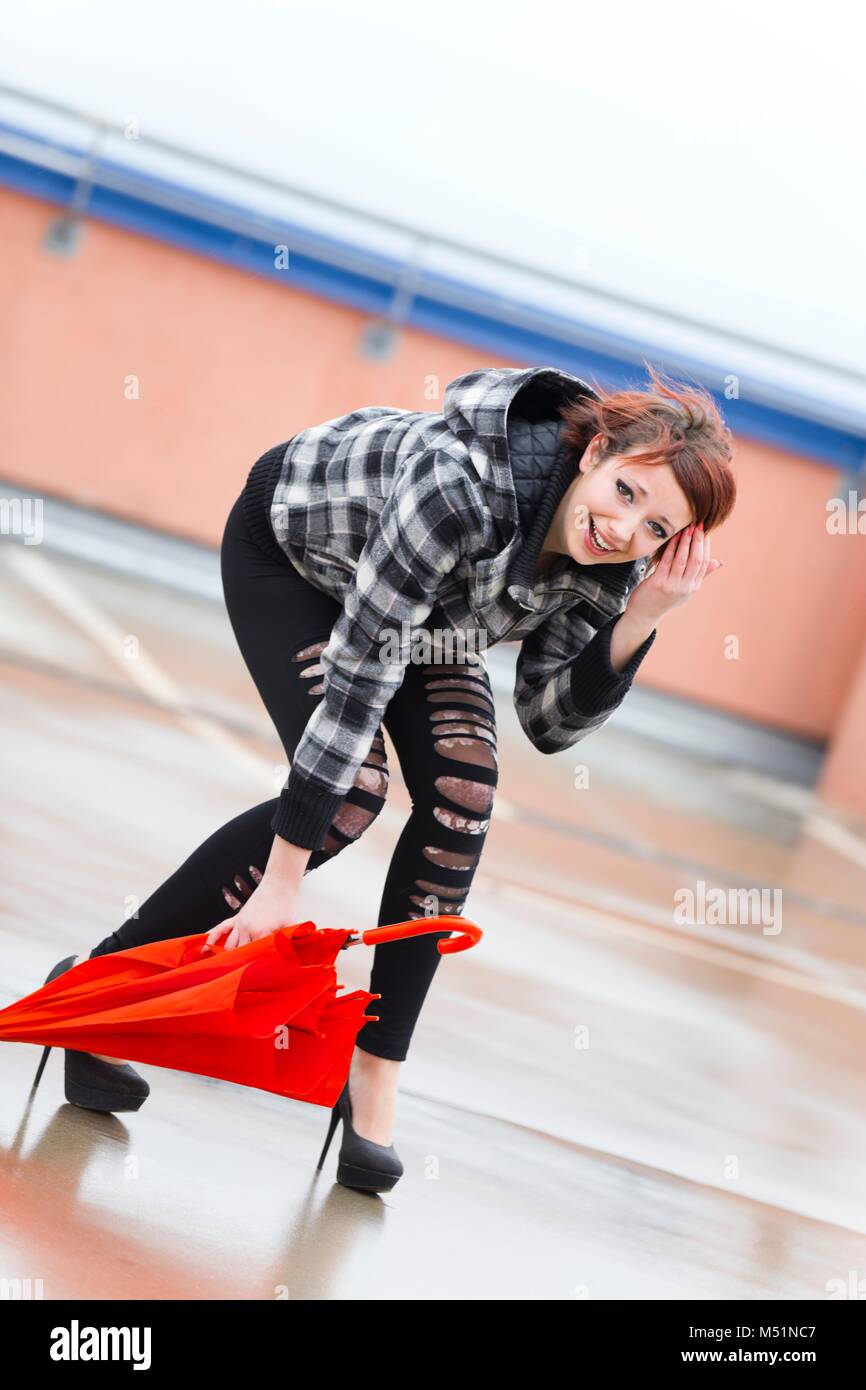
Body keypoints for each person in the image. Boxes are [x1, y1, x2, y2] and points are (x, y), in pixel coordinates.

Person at [47, 361, 736, 1189]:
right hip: (296, 557)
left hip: (427, 616)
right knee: (356, 789)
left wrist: (644, 614)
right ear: (595, 453)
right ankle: (98, 983)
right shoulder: (460, 488)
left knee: (465, 791)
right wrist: (282, 881)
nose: (625, 532)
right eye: (628, 494)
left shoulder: (612, 565)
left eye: (658, 529)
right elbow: (363, 672)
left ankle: (375, 1065)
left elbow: (551, 720)